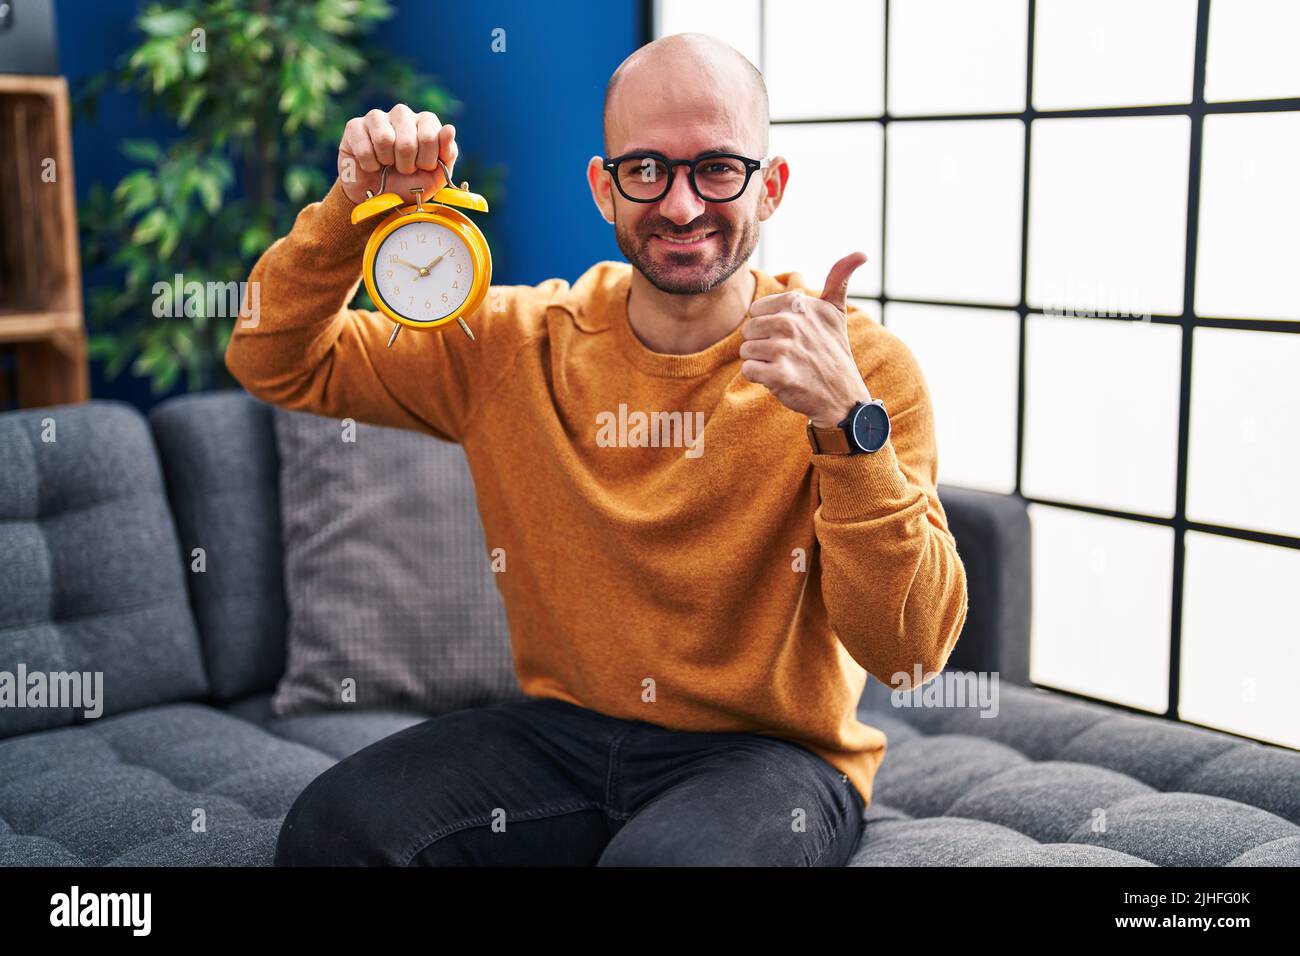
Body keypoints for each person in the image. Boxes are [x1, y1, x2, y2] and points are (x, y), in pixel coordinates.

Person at [225, 32, 968, 866]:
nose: (681, 205)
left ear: (772, 187)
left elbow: (910, 655)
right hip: (561, 739)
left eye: (717, 167)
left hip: (771, 760)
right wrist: (347, 208)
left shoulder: (856, 370)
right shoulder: (511, 345)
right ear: (603, 189)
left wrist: (847, 429)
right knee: (333, 832)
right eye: (645, 169)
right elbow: (271, 357)